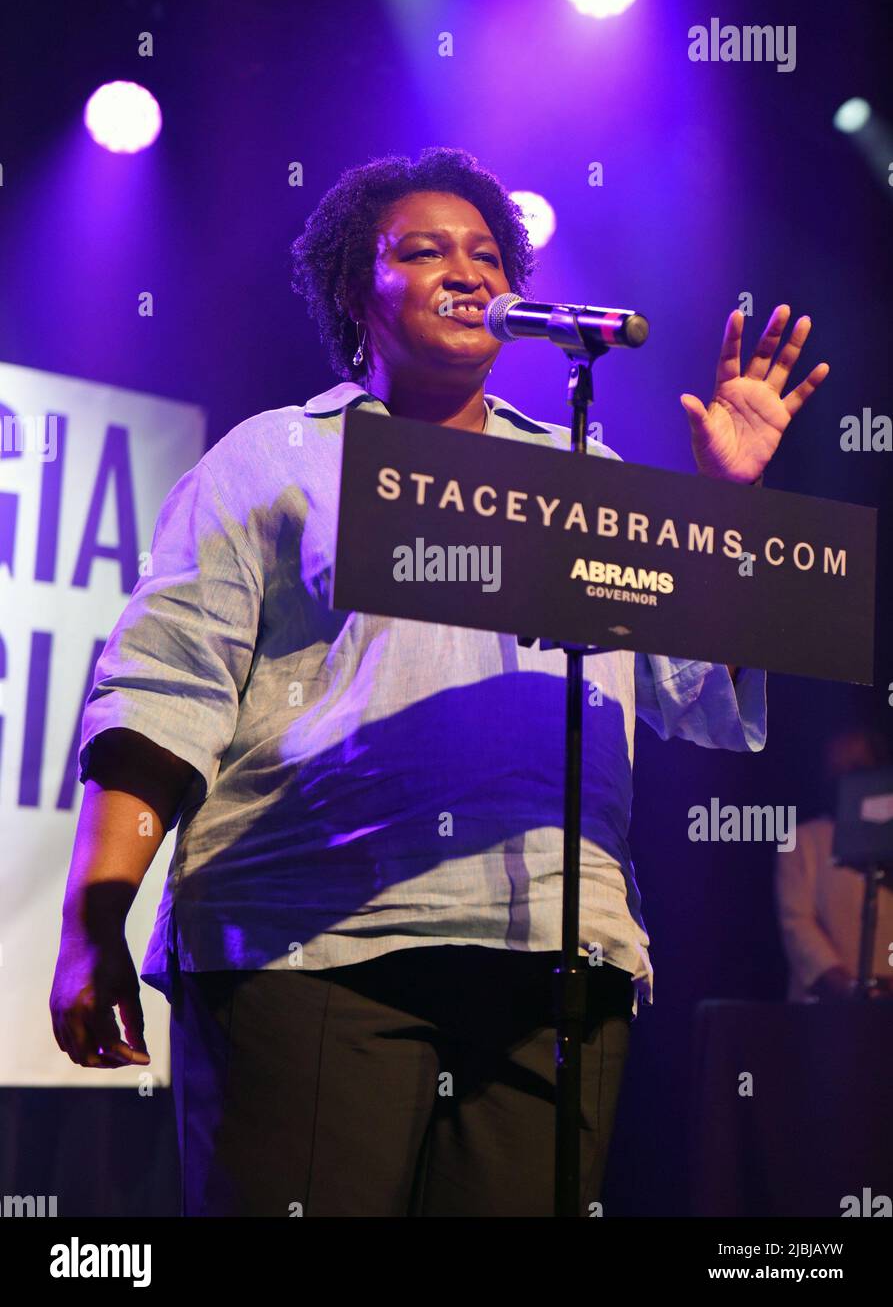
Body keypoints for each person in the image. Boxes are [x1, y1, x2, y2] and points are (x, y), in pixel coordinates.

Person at [50, 146, 829, 1216]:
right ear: (351, 292)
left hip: (556, 960)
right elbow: (161, 694)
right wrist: (92, 925)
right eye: (421, 252)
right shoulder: (275, 457)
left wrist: (728, 511)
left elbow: (697, 687)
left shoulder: (584, 479)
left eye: (486, 256)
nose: (466, 272)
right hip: (313, 946)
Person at [775, 726, 893, 1002]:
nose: (852, 782)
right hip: (827, 1010)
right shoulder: (804, 839)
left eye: (860, 769)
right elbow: (797, 924)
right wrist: (847, 986)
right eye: (843, 773)